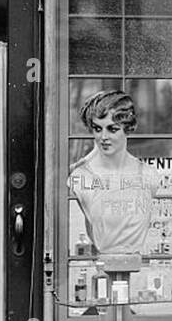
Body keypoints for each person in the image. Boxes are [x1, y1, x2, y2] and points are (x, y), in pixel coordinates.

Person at [67, 90, 163, 255]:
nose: (103, 137)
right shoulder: (81, 176)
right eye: (97, 129)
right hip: (102, 260)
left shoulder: (148, 174)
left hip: (138, 263)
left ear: (128, 129)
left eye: (112, 129)